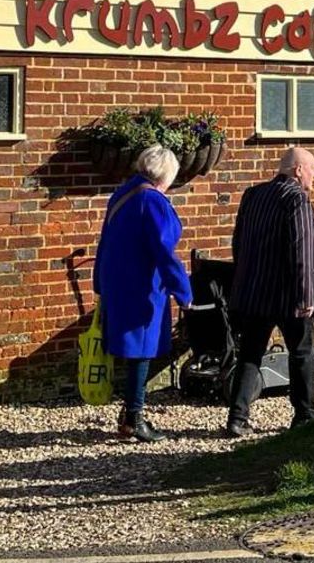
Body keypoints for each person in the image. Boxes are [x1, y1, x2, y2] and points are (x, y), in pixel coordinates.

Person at [224, 146, 314, 438]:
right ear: (298, 170)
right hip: (288, 295)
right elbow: (305, 254)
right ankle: (305, 414)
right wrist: (307, 297)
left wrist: (243, 281)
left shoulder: (253, 195)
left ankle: (237, 417)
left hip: (255, 290)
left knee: (249, 354)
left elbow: (238, 243)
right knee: (303, 353)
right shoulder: (297, 200)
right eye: (312, 169)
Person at [93, 145, 193, 443]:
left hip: (118, 281)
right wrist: (183, 290)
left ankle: (128, 414)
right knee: (141, 351)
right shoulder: (153, 201)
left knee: (133, 349)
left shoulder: (122, 194)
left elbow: (105, 241)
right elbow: (163, 252)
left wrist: (99, 282)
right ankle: (134, 417)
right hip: (143, 286)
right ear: (167, 174)